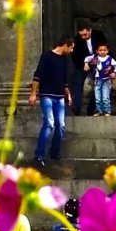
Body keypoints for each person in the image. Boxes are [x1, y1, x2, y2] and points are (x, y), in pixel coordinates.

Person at [29, 28, 79, 166]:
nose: (72, 51)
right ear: (65, 45)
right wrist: (33, 94)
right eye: (71, 48)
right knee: (49, 123)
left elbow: (64, 81)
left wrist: (68, 95)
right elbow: (37, 75)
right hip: (47, 95)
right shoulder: (47, 56)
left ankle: (55, 152)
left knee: (61, 126)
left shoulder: (64, 61)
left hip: (59, 97)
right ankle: (39, 155)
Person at [85, 36, 116, 116]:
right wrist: (86, 64)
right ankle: (99, 111)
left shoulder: (110, 59)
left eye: (104, 50)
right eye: (100, 50)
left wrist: (115, 73)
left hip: (106, 79)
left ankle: (107, 111)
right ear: (97, 51)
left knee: (105, 97)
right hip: (97, 80)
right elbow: (87, 58)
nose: (102, 52)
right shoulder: (95, 57)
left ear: (107, 51)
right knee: (97, 97)